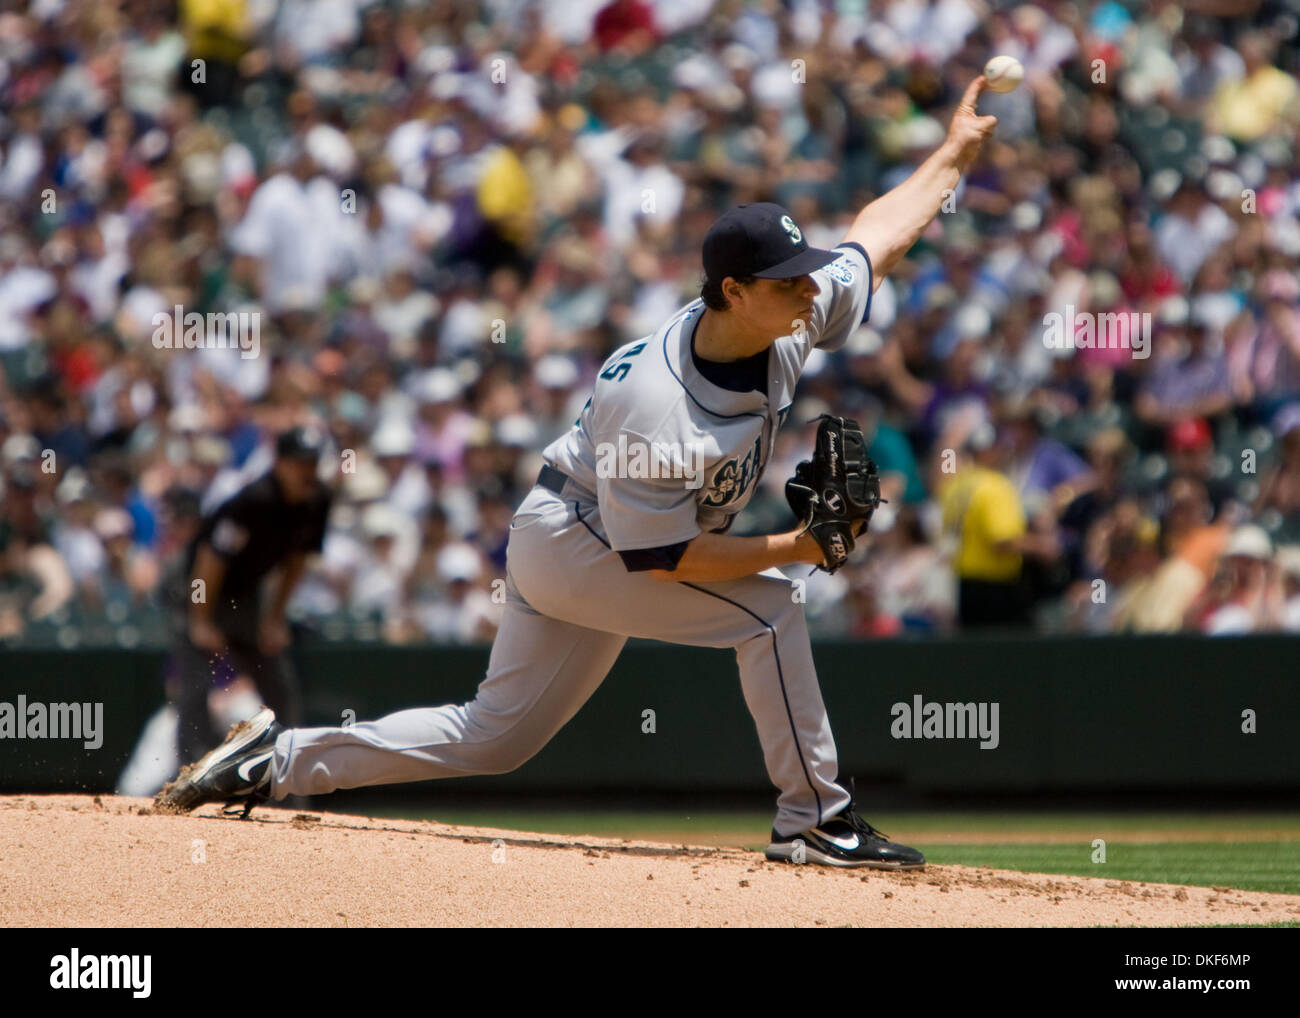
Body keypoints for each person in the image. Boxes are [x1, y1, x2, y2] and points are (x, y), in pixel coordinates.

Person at [155, 77, 1001, 870]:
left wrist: (955, 152)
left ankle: (276, 760)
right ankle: (814, 820)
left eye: (804, 272)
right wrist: (798, 546)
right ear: (735, 292)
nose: (809, 287)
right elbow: (660, 561)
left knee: (494, 737)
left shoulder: (789, 316)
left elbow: (876, 236)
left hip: (591, 535)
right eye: (787, 280)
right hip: (581, 542)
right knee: (772, 609)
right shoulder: (658, 404)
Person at [166, 426, 332, 764]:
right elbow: (208, 562)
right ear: (280, 464)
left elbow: (297, 560)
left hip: (246, 593)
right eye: (300, 463)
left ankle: (288, 779)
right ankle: (190, 773)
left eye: (313, 462)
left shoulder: (317, 500)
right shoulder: (254, 500)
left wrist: (274, 618)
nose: (308, 471)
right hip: (198, 589)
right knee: (197, 684)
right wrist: (200, 621)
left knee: (279, 684)